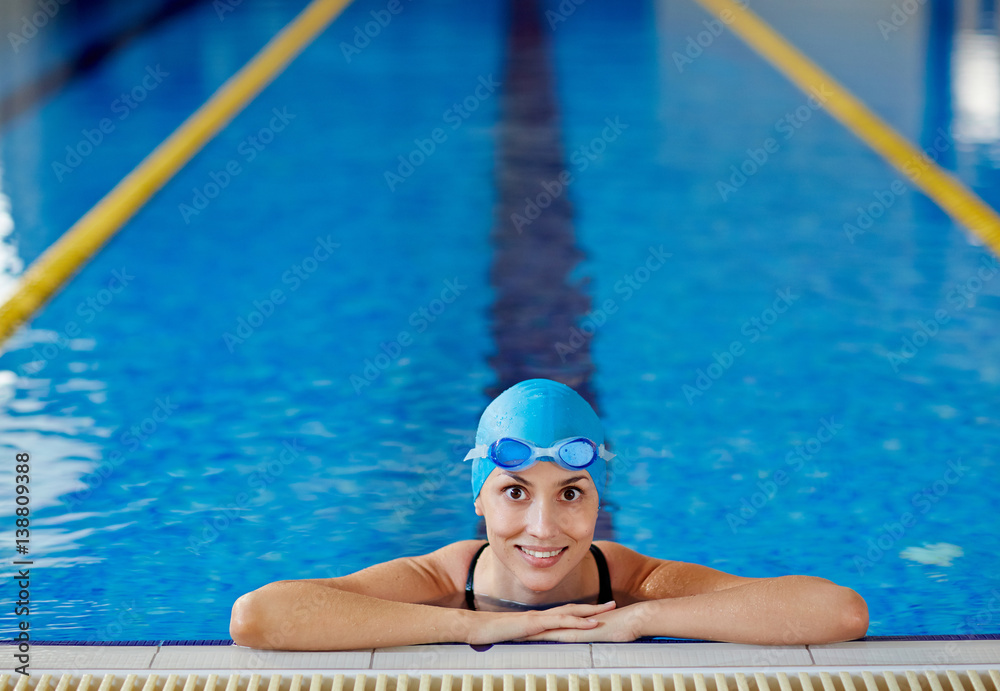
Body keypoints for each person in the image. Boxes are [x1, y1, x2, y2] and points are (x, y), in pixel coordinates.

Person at [230, 378, 868, 651]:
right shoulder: (446, 583)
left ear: (599, 500)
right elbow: (258, 616)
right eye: (514, 492)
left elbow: (838, 611)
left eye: (570, 493)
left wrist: (639, 620)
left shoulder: (629, 581)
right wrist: (476, 629)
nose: (543, 528)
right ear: (477, 498)